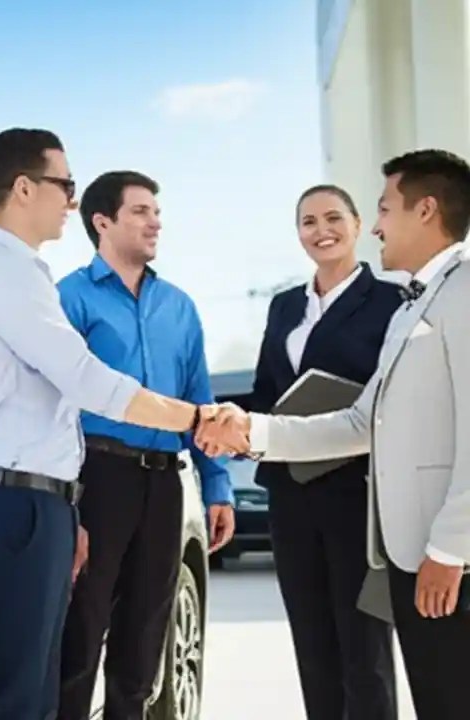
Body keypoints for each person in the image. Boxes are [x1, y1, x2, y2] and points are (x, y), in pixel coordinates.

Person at [0, 127, 218, 720]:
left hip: (43, 502)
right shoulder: (7, 275)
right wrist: (198, 417)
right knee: (25, 696)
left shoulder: (21, 273)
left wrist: (69, 507)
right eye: (64, 183)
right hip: (17, 505)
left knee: (39, 691)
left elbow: (61, 404)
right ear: (24, 188)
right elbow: (88, 381)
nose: (71, 198)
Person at [198, 149, 470, 720]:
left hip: (407, 529)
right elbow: (357, 421)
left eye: (381, 210)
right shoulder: (411, 306)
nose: (375, 226)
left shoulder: (444, 296)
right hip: (354, 520)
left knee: (413, 679)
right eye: (308, 221)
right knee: (413, 686)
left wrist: (450, 547)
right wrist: (249, 428)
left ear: (425, 211)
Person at [53, 170, 235, 720]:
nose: (155, 220)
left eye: (156, 210)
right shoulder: (70, 297)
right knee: (81, 635)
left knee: (145, 637)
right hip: (97, 478)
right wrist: (68, 500)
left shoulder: (179, 306)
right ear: (102, 221)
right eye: (140, 211)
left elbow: (200, 400)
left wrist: (217, 484)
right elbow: (54, 403)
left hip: (165, 481)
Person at [243, 184, 402, 720]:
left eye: (333, 217)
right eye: (308, 222)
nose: (321, 230)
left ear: (357, 225)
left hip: (355, 492)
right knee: (312, 642)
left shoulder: (391, 301)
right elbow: (269, 390)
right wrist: (235, 429)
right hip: (290, 493)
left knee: (364, 647)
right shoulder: (285, 305)